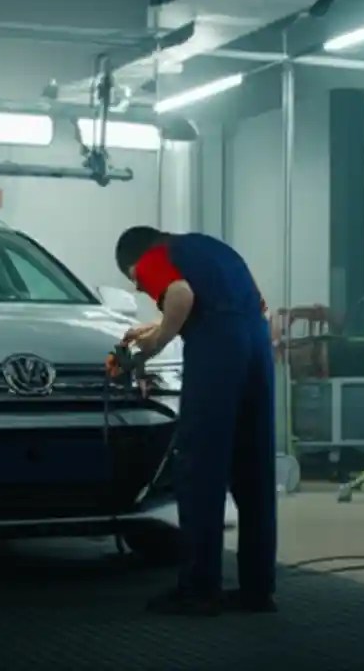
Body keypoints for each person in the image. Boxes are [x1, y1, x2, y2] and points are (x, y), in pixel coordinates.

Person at [113, 226, 277, 617]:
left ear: (136, 261)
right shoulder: (215, 249)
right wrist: (157, 327)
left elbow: (181, 295)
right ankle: (257, 590)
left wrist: (154, 344)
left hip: (217, 350)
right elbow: (241, 304)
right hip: (257, 345)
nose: (140, 288)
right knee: (253, 471)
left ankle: (200, 590)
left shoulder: (153, 256)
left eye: (136, 281)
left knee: (201, 467)